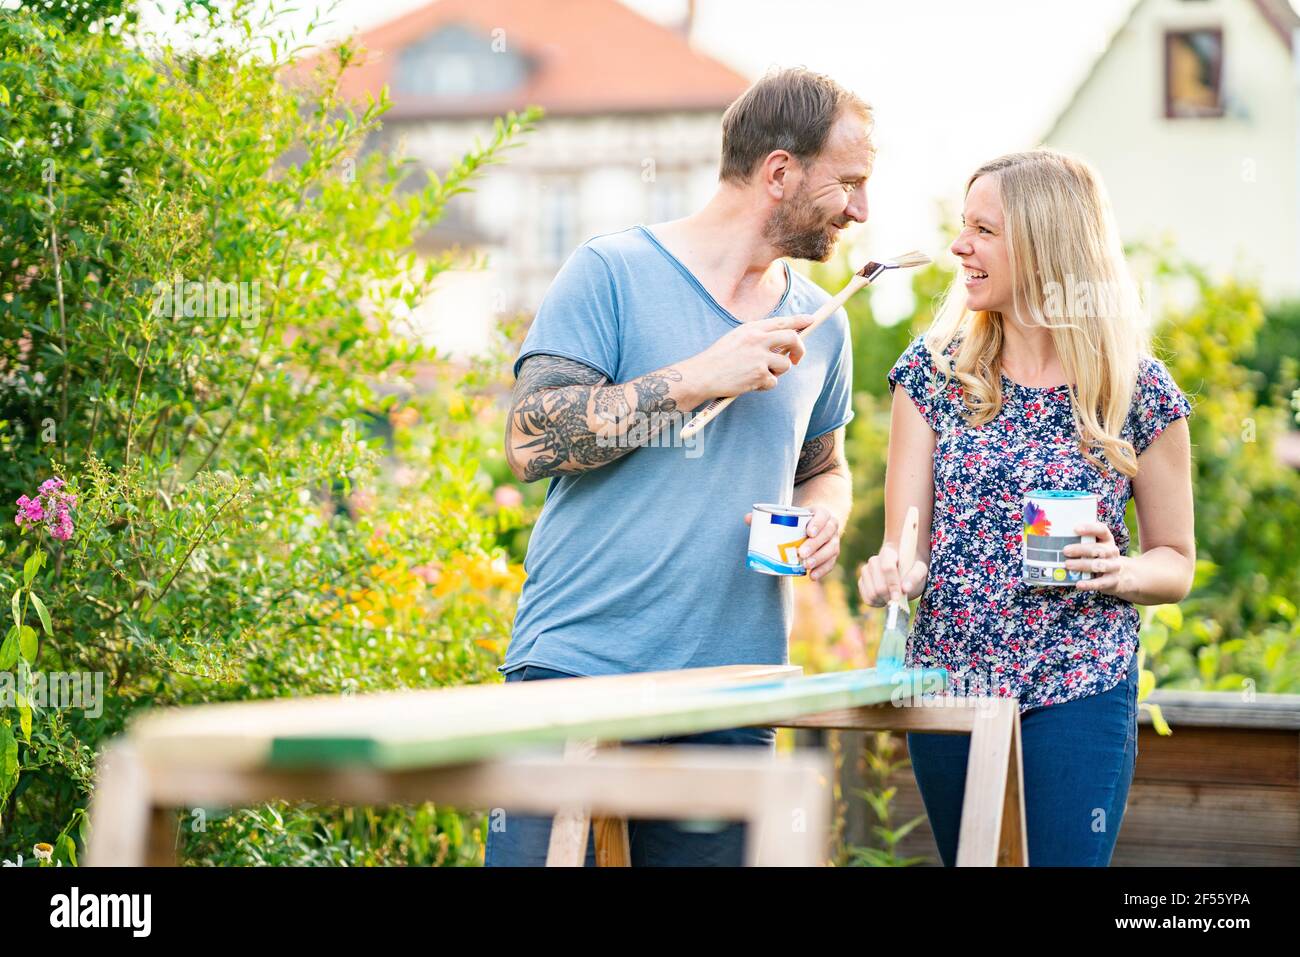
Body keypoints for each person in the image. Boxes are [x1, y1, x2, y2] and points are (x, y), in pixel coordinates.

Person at [487, 67, 874, 866]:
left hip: (734, 692)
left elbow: (822, 466)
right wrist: (700, 376)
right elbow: (532, 440)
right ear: (779, 172)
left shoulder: (823, 326)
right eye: (849, 184)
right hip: (578, 671)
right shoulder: (612, 271)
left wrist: (824, 512)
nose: (861, 210)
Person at [859, 148, 1195, 867]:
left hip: (1080, 682)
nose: (958, 246)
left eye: (982, 230)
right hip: (951, 682)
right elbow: (906, 547)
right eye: (961, 225)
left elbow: (1177, 563)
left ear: (1045, 246)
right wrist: (892, 572)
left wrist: (1120, 569)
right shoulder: (932, 374)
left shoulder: (1139, 389)